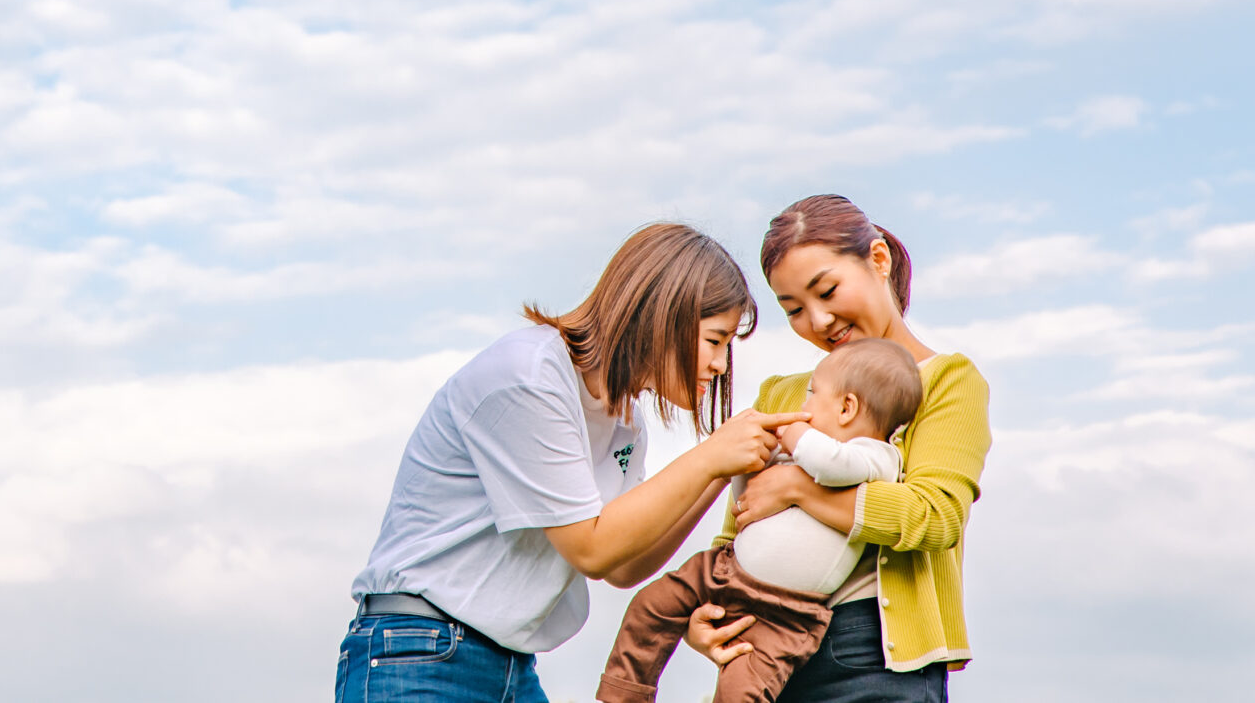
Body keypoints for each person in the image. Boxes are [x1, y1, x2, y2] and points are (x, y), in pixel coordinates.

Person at [337, 223, 803, 703]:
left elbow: (622, 566)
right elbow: (592, 548)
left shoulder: (625, 421)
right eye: (715, 340)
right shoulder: (531, 378)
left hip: (506, 666)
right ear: (663, 316)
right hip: (420, 652)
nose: (722, 365)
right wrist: (711, 456)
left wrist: (722, 468)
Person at [683, 195, 992, 702]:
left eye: (826, 291)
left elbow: (933, 516)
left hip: (878, 661)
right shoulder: (779, 395)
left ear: (878, 260)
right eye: (794, 310)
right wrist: (706, 612)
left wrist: (800, 489)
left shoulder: (947, 381)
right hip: (765, 655)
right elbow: (736, 529)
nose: (819, 319)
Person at [594, 338, 923, 703]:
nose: (803, 405)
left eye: (813, 393)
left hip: (784, 614)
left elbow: (832, 465)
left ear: (847, 407)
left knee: (741, 690)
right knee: (651, 606)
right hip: (723, 570)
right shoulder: (801, 451)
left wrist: (796, 438)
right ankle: (622, 695)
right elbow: (745, 502)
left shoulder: (877, 457)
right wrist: (748, 461)